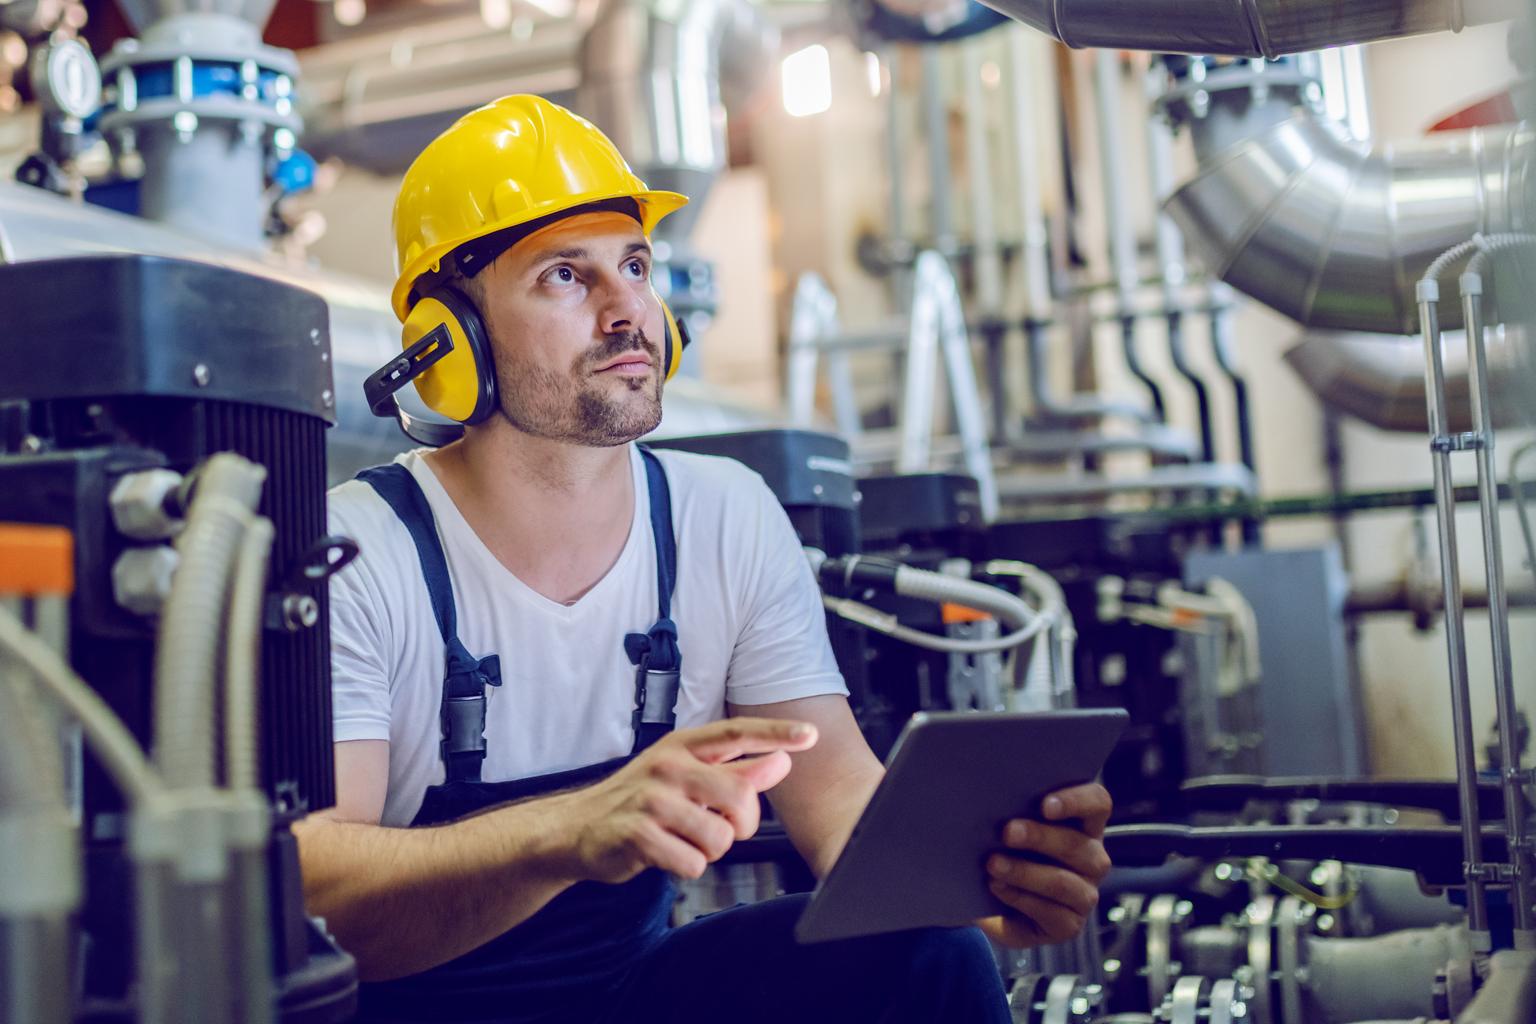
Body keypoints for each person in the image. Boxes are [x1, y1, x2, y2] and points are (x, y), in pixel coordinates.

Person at [295, 94, 1113, 1024]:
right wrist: (567, 832)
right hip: (413, 1009)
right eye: (566, 276)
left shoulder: (723, 514)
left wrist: (981, 887)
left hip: (626, 992)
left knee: (933, 957)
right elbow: (320, 894)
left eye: (635, 266)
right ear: (449, 340)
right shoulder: (361, 549)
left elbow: (839, 795)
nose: (625, 311)